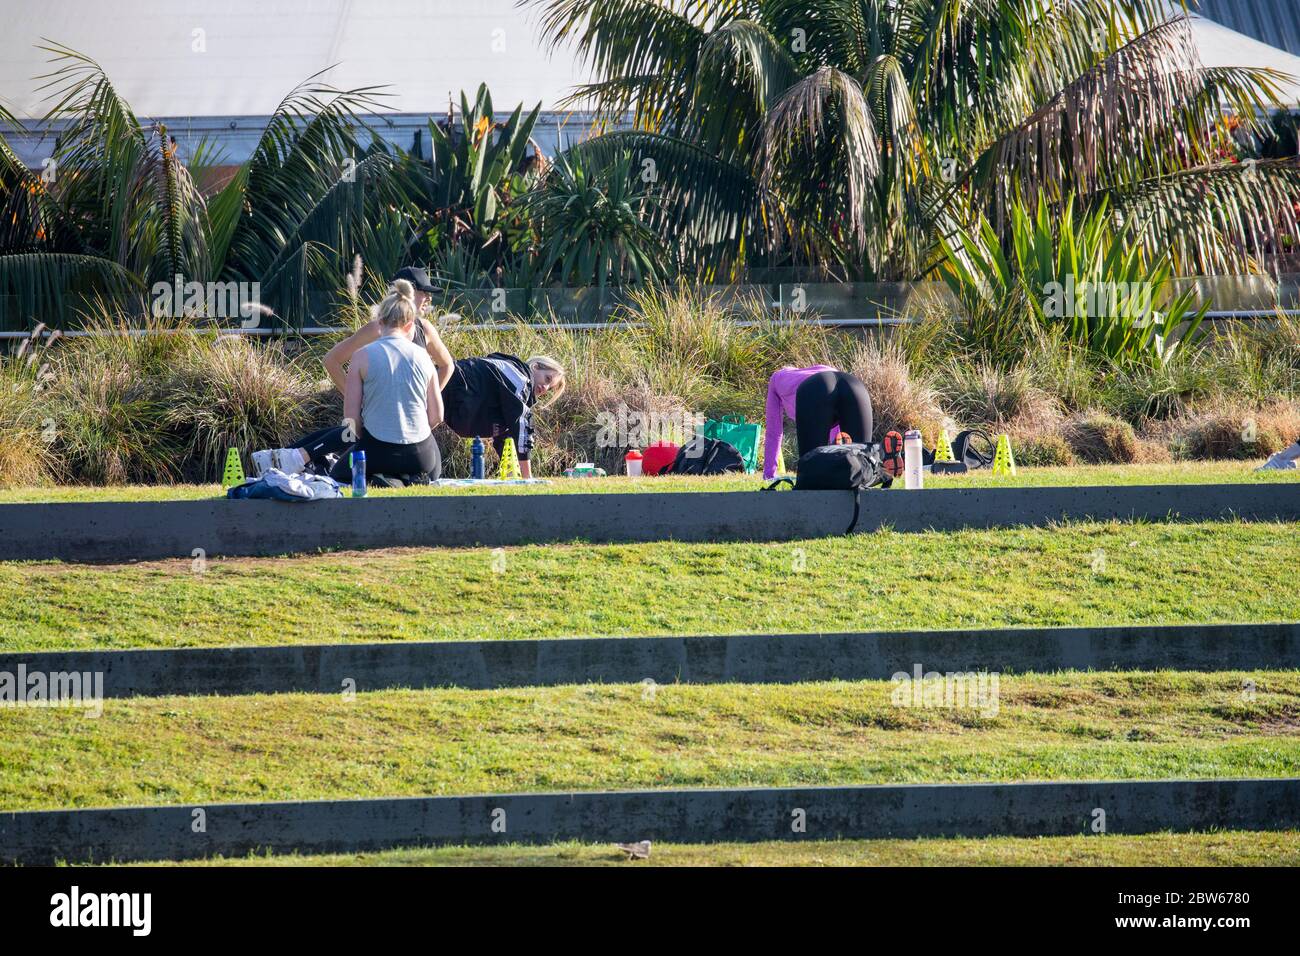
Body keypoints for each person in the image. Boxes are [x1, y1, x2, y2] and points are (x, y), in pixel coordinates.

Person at [267, 281, 443, 482]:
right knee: (433, 470)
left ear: (379, 323)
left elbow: (351, 420)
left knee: (338, 476)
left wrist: (368, 437)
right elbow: (437, 416)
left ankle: (386, 479)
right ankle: (402, 479)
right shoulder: (423, 357)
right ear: (410, 325)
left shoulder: (361, 356)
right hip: (420, 455)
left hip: (378, 450)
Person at [322, 266, 454, 397]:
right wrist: (357, 400)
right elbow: (331, 361)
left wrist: (427, 399)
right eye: (425, 292)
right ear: (407, 292)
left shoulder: (424, 329)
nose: (429, 298)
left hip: (414, 417)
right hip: (378, 417)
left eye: (429, 294)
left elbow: (447, 366)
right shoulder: (376, 329)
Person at [440, 353, 565, 479]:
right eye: (547, 379)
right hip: (449, 383)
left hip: (449, 396)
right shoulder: (520, 379)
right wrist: (527, 477)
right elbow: (521, 425)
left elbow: (507, 440)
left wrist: (512, 475)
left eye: (549, 388)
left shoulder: (514, 392)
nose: (545, 388)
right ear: (535, 367)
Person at [762, 365, 874, 480]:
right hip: (853, 384)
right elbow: (835, 435)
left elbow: (774, 432)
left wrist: (769, 474)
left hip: (817, 388)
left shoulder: (776, 379)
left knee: (811, 475)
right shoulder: (816, 371)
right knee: (863, 470)